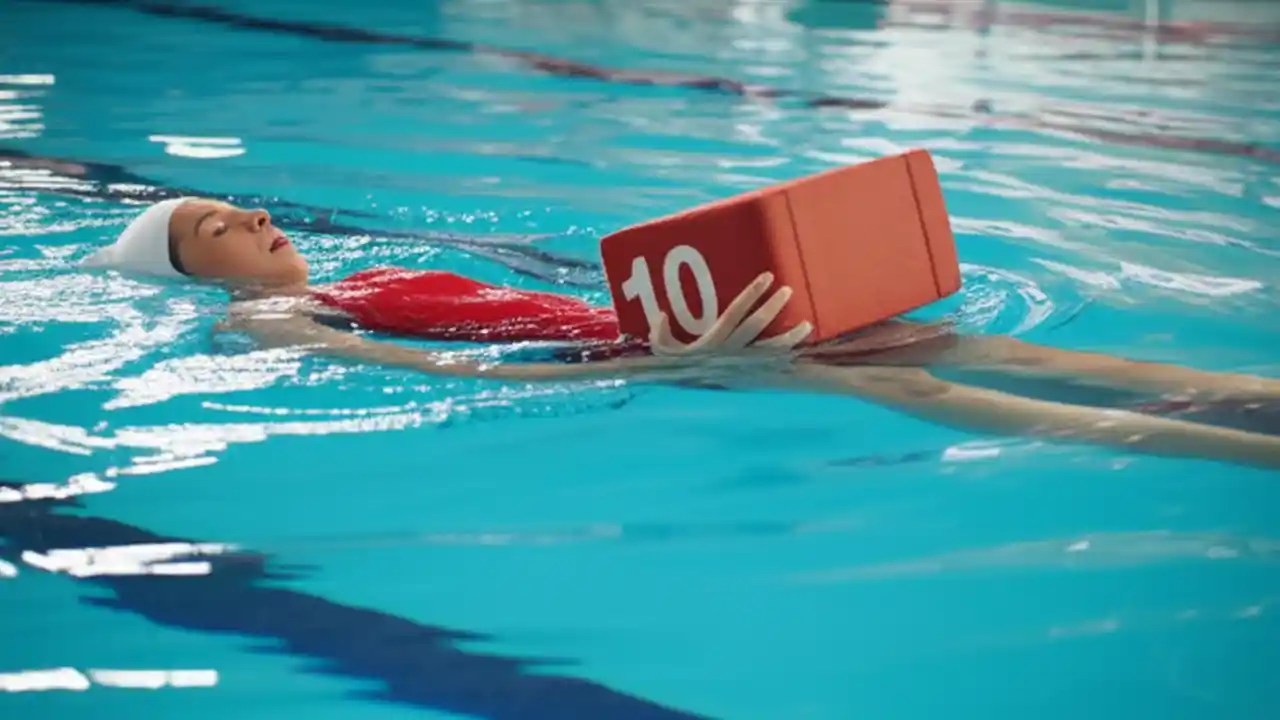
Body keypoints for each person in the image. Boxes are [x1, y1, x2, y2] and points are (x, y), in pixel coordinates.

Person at [84, 197, 1280, 469]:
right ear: (191, 274)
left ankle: (1252, 396)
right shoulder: (278, 329)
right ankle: (1245, 450)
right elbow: (455, 376)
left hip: (686, 324)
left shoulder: (372, 265)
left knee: (992, 351)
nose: (245, 217)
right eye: (212, 228)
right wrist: (687, 357)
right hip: (670, 353)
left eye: (235, 210)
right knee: (922, 391)